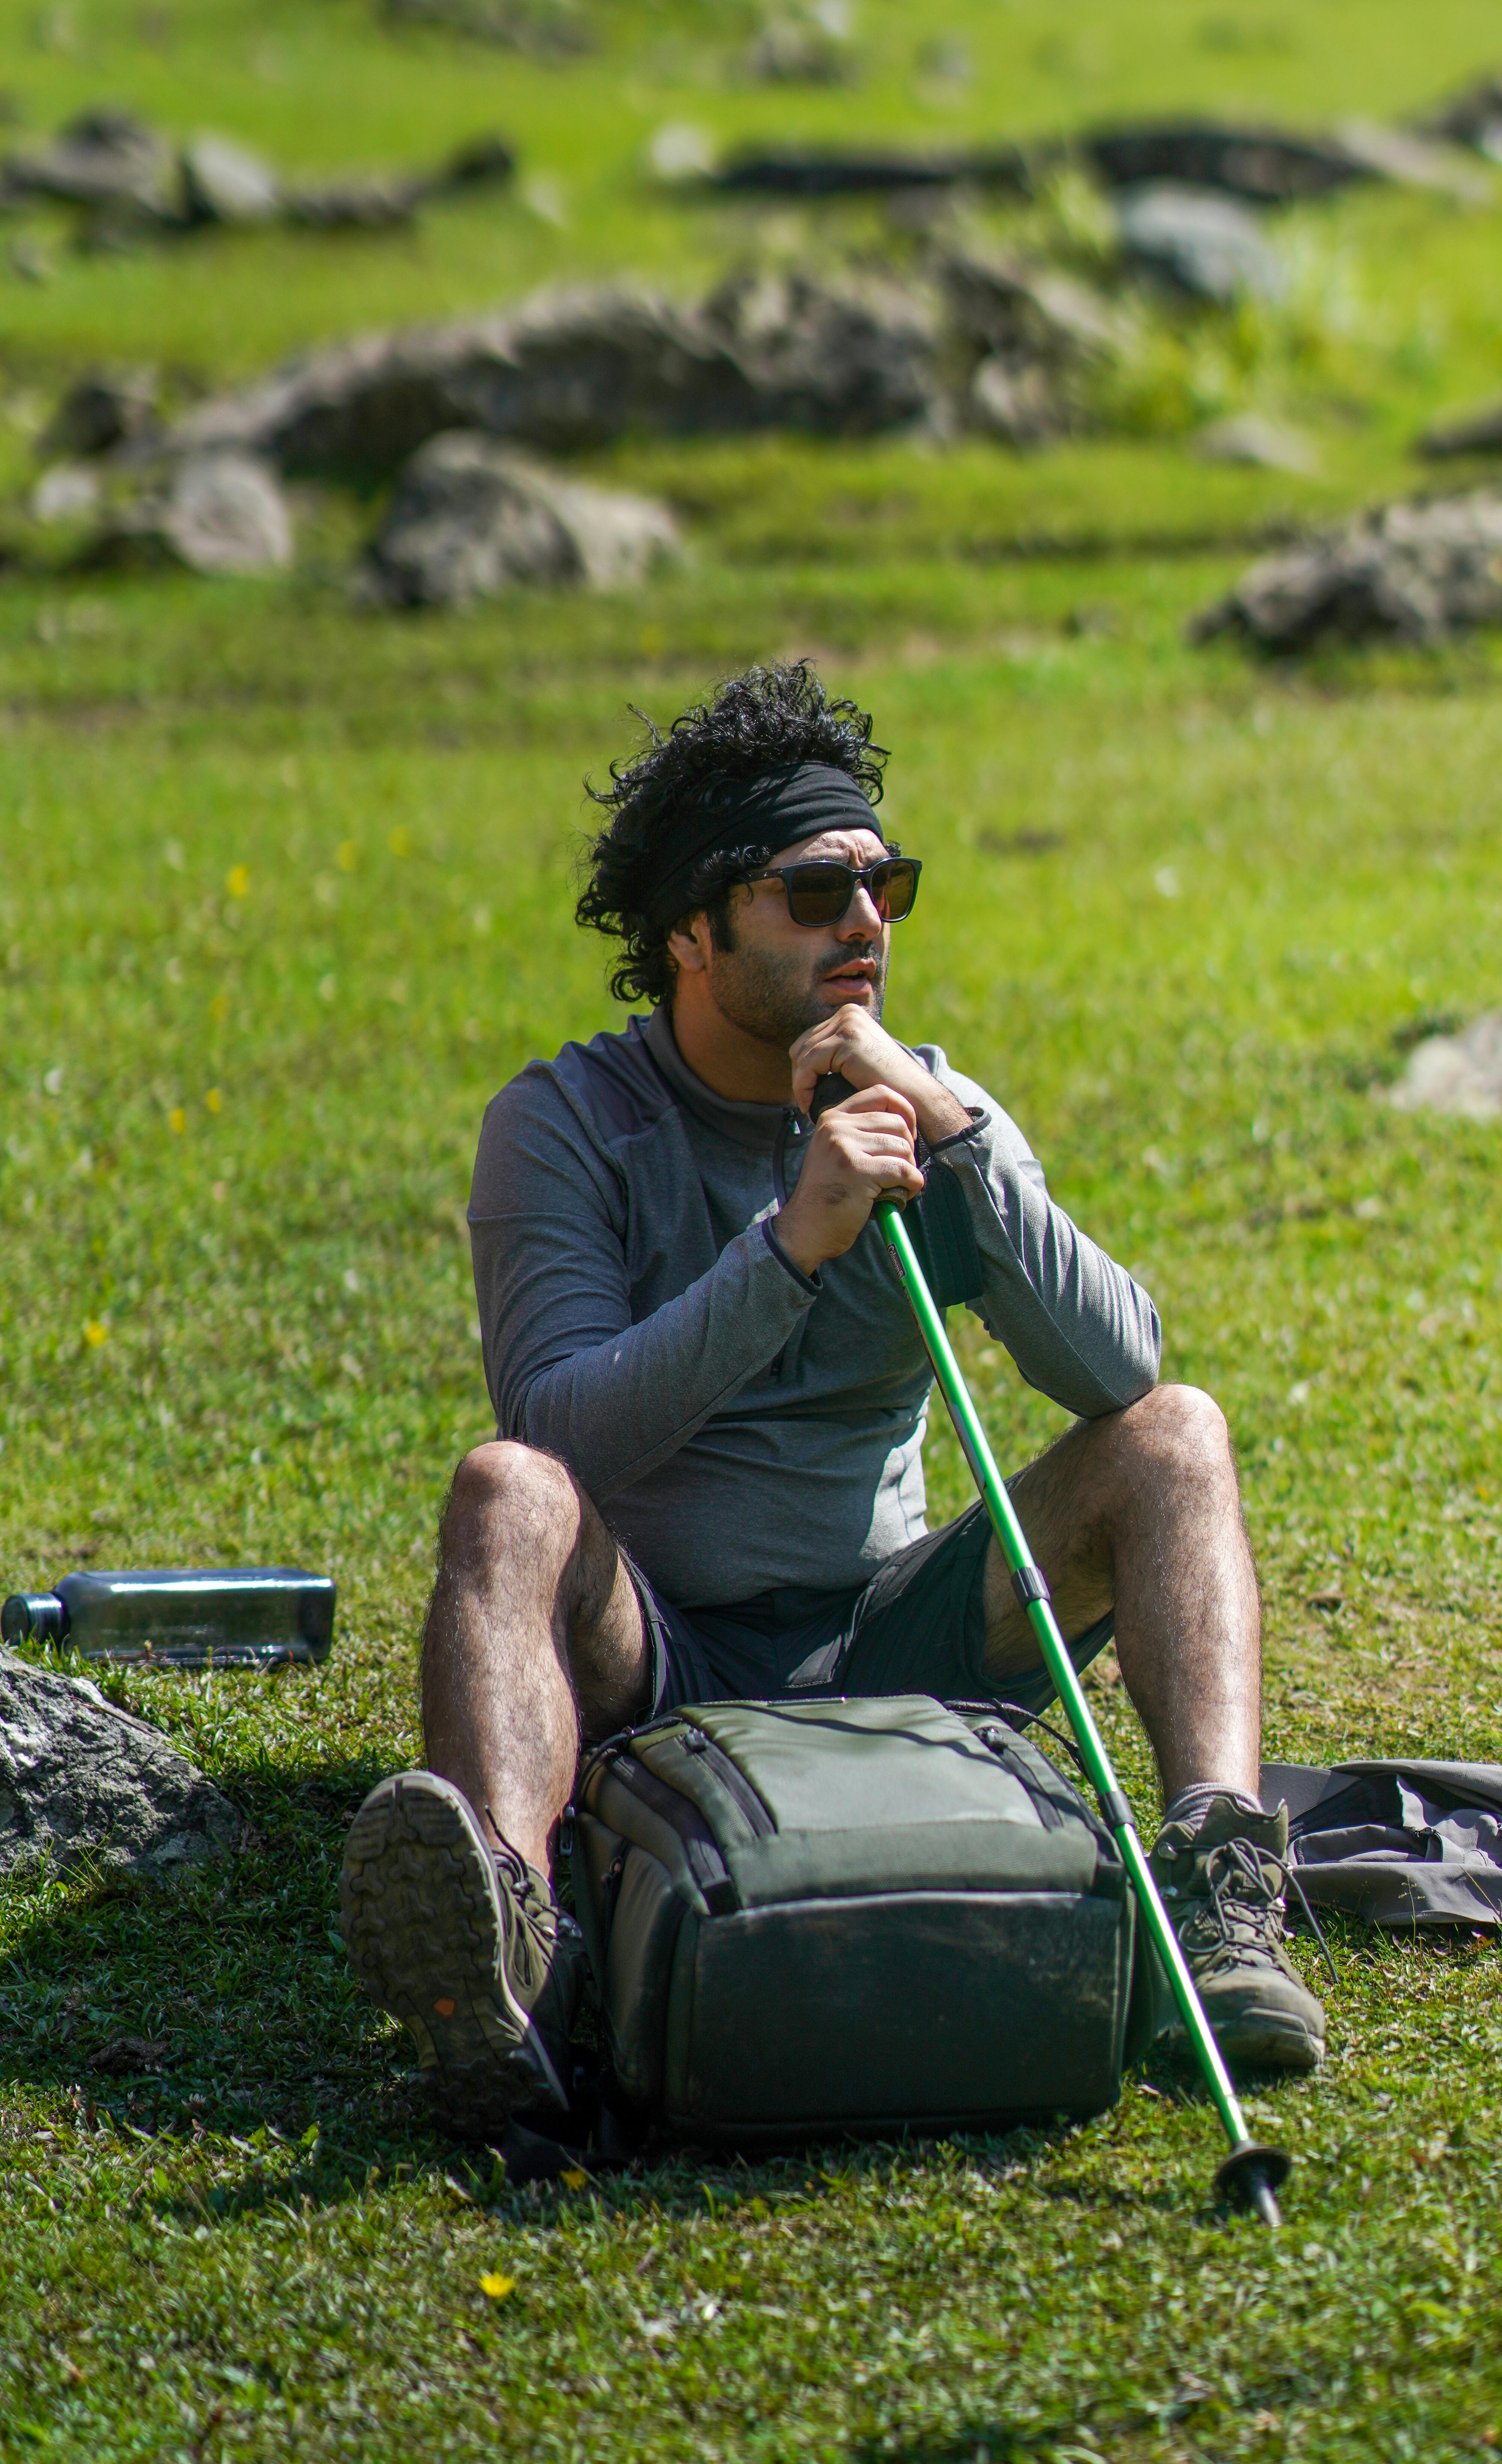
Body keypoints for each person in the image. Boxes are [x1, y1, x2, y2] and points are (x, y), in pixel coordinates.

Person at [338, 659, 1323, 2130]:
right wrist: (789, 1249)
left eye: (885, 885)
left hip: (894, 1628)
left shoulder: (928, 1106)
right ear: (693, 931)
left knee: (1175, 1437)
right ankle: (518, 1957)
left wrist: (962, 1142)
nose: (865, 921)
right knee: (505, 1491)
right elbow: (563, 1431)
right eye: (813, 892)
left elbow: (1117, 1370)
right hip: (654, 1645)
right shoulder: (566, 1126)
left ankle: (1222, 1898)